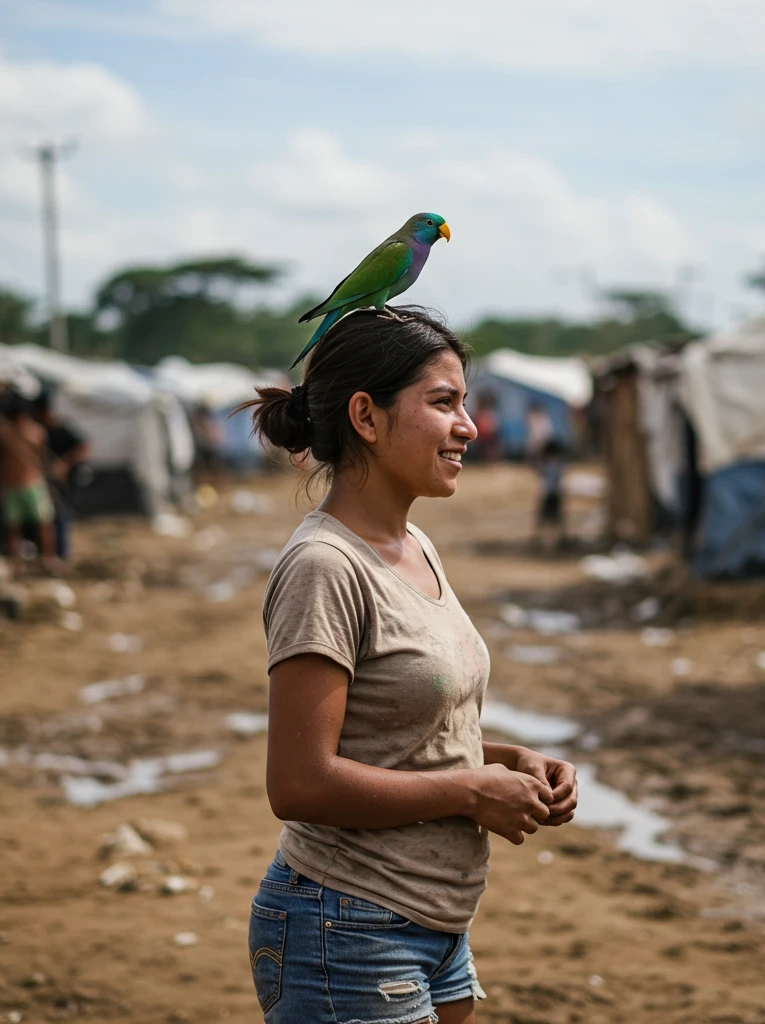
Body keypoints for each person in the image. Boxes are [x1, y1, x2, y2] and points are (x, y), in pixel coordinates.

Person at [239, 306, 578, 1024]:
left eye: (465, 402)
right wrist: (468, 792)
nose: (469, 426)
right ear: (366, 415)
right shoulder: (324, 567)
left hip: (433, 918)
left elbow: (399, 733)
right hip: (346, 922)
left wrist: (509, 762)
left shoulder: (417, 545)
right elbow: (300, 782)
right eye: (443, 403)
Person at [0, 397, 58, 573]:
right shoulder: (5, 432)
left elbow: (41, 458)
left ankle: (48, 557)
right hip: (11, 486)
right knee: (14, 527)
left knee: (44, 523)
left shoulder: (36, 433)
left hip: (33, 484)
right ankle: (17, 560)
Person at [31, 390, 90, 562]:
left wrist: (64, 464)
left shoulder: (60, 429)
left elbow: (84, 448)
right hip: (44, 480)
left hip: (62, 483)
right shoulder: (39, 429)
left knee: (61, 514)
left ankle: (62, 553)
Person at [533, 438, 568, 550]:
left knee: (548, 518)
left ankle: (545, 539)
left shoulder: (549, 465)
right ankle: (554, 539)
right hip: (553, 494)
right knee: (553, 518)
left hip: (550, 494)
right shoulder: (558, 464)